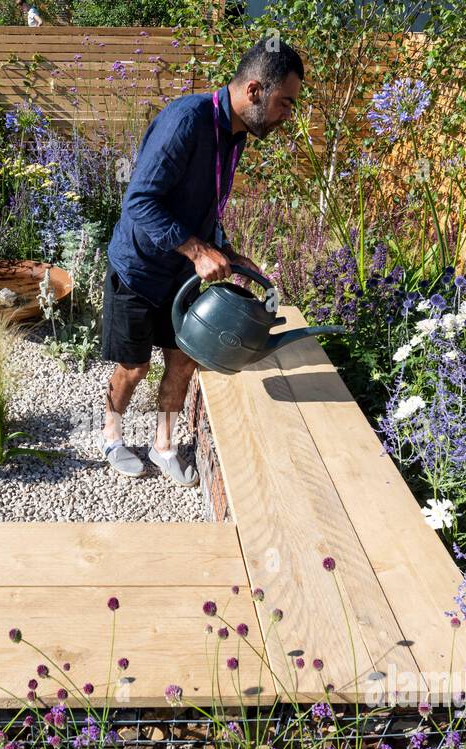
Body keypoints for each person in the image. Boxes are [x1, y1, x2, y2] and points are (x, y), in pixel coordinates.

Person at [98, 37, 303, 484]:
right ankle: (111, 435)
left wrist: (223, 249)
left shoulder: (234, 135)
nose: (288, 115)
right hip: (138, 268)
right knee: (133, 367)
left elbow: (202, 204)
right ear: (254, 90)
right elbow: (139, 203)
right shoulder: (186, 123)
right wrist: (197, 250)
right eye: (285, 103)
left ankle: (163, 444)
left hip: (178, 272)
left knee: (183, 359)